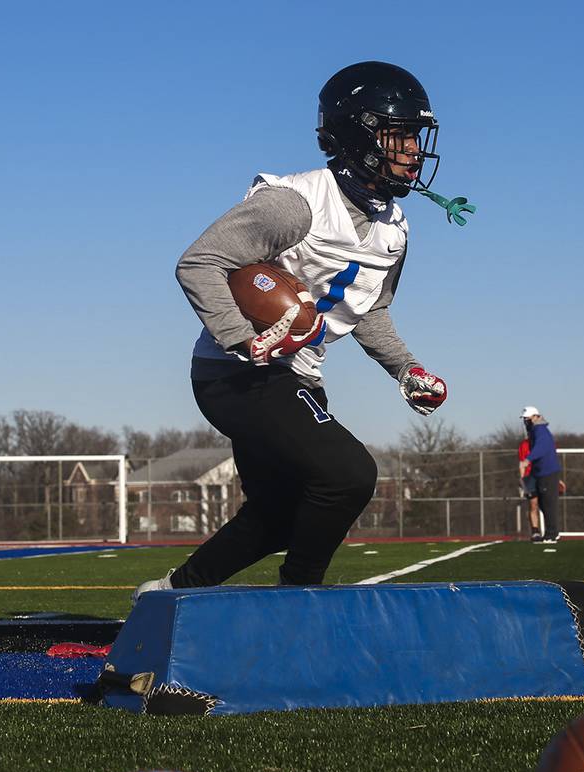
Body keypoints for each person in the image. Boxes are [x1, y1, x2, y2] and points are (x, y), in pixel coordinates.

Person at [137, 61, 454, 598]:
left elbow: (368, 311)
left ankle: (170, 594)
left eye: (415, 138)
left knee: (281, 513)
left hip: (299, 375)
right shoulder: (294, 204)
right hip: (236, 373)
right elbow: (199, 262)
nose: (413, 151)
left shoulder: (395, 227)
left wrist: (407, 369)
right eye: (398, 136)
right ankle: (300, 599)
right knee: (347, 476)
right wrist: (242, 337)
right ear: (358, 135)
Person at [520, 406, 563, 542]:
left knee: (549, 503)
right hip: (540, 472)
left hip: (547, 472)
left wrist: (528, 459)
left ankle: (552, 533)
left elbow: (542, 448)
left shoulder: (540, 430)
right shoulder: (534, 432)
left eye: (528, 419)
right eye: (525, 419)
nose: (526, 422)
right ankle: (551, 532)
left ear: (536, 417)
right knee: (543, 504)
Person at [517, 436, 541, 541]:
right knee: (533, 504)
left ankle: (551, 530)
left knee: (547, 504)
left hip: (543, 475)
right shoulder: (524, 445)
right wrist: (522, 481)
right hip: (529, 477)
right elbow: (522, 463)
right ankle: (535, 531)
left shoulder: (543, 443)